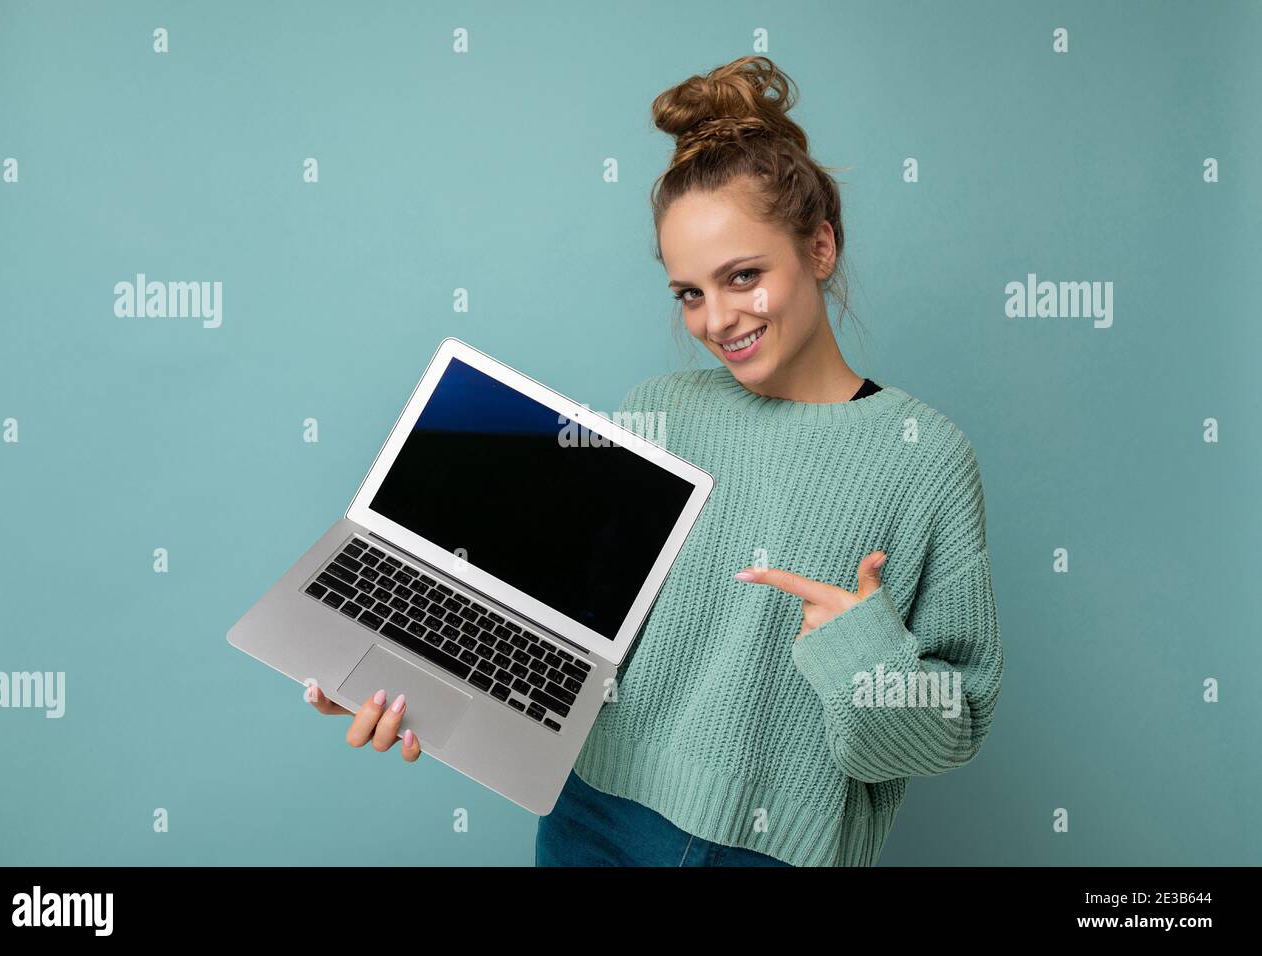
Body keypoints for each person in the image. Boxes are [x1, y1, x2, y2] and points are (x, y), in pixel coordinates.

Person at [308, 55, 1004, 868]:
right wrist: (393, 668)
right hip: (591, 818)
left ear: (820, 247)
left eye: (744, 276)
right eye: (690, 293)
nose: (717, 320)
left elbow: (954, 730)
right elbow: (561, 621)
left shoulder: (925, 459)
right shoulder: (660, 411)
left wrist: (862, 653)